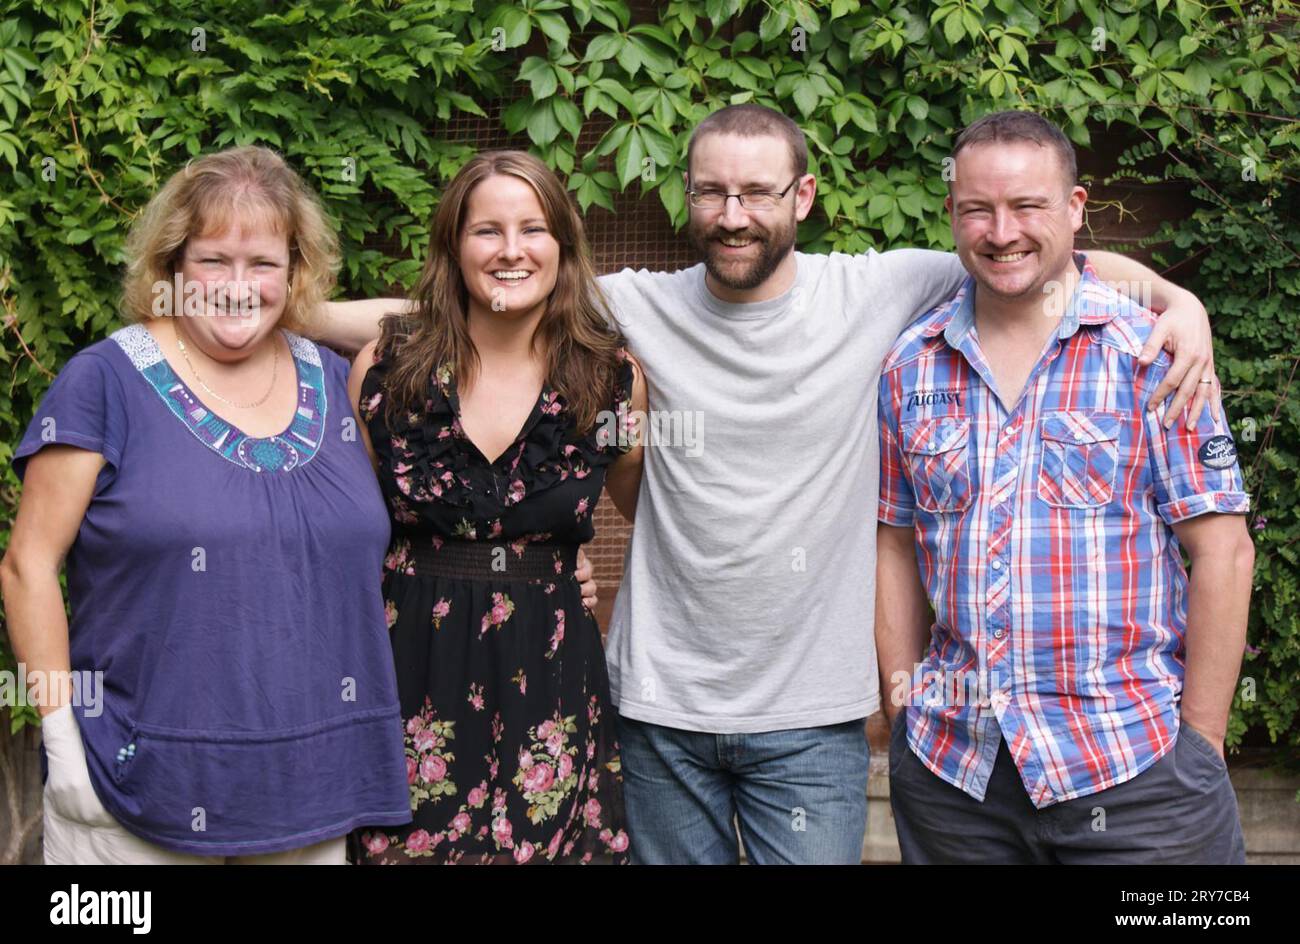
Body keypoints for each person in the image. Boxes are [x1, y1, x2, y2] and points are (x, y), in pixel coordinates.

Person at [318, 104, 1220, 865]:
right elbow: (451, 307)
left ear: (803, 197)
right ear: (689, 198)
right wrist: (273, 306)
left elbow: (1043, 258)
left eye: (756, 192)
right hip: (660, 707)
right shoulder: (633, 306)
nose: (733, 213)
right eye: (712, 191)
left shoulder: (886, 291)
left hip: (813, 720)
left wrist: (1181, 304)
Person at [0, 146, 412, 863]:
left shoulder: (340, 380)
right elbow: (27, 567)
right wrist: (63, 742)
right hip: (131, 789)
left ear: (298, 270)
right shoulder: (104, 382)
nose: (236, 286)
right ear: (171, 266)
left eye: (264, 264)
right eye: (213, 261)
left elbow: (461, 315)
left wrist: (300, 313)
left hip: (312, 792)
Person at [877, 110, 1253, 863]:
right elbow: (894, 542)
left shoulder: (1152, 353)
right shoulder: (910, 365)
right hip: (959, 781)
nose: (1001, 230)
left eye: (1028, 206)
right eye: (978, 208)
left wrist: (1203, 741)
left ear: (1076, 210)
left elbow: (1224, 552)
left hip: (1137, 773)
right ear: (952, 214)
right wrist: (904, 712)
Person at [346, 149, 647, 864]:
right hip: (408, 663)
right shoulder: (388, 370)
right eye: (487, 230)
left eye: (533, 229)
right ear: (454, 243)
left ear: (563, 246)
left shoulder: (612, 381)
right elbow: (352, 534)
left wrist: (575, 561)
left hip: (551, 670)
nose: (511, 250)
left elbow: (648, 516)